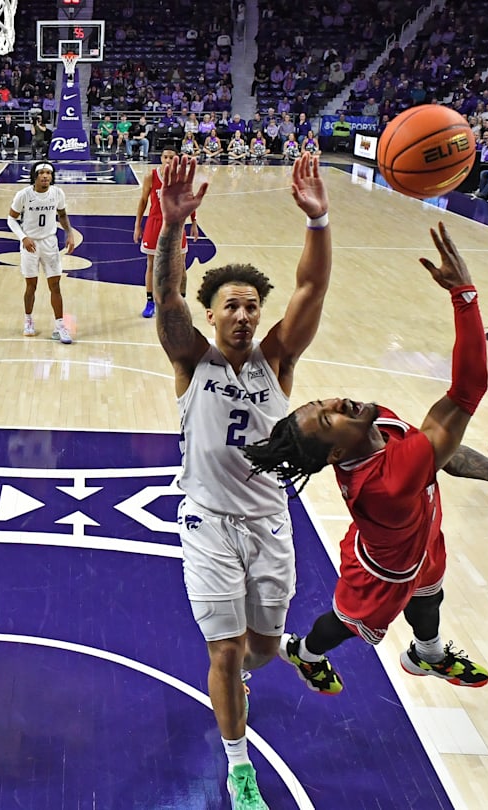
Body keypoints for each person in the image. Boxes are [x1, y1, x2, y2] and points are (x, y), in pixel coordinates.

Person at [240, 224, 488, 699]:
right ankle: (306, 652)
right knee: (348, 622)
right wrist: (464, 295)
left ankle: (429, 653)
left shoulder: (378, 427)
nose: (339, 403)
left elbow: (443, 454)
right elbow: (466, 392)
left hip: (421, 532)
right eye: (329, 418)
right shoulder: (389, 482)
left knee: (431, 588)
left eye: (324, 402)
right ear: (337, 452)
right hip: (383, 568)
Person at [153, 154, 330, 810]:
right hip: (206, 522)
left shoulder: (276, 361)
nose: (246, 315)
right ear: (213, 311)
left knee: (258, 649)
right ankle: (239, 766)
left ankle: (250, 674)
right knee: (224, 651)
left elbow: (310, 292)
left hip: (269, 523)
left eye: (254, 306)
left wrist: (319, 220)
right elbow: (168, 298)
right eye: (233, 305)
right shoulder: (190, 358)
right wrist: (172, 230)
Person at [8, 161, 76, 344]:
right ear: (35, 176)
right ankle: (28, 320)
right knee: (31, 285)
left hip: (50, 243)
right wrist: (23, 237)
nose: (45, 176)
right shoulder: (24, 195)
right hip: (30, 244)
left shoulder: (57, 193)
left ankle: (60, 326)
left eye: (48, 173)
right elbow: (11, 219)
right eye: (42, 173)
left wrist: (69, 233)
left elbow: (62, 214)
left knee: (55, 285)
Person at [133, 149, 198, 318]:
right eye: (165, 157)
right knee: (152, 265)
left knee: (181, 266)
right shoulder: (151, 176)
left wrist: (194, 222)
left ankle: (181, 302)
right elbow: (143, 200)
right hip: (155, 224)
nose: (168, 160)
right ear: (161, 158)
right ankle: (150, 302)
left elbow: (189, 199)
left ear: (176, 159)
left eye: (171, 157)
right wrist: (137, 224)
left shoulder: (181, 178)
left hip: (176, 225)